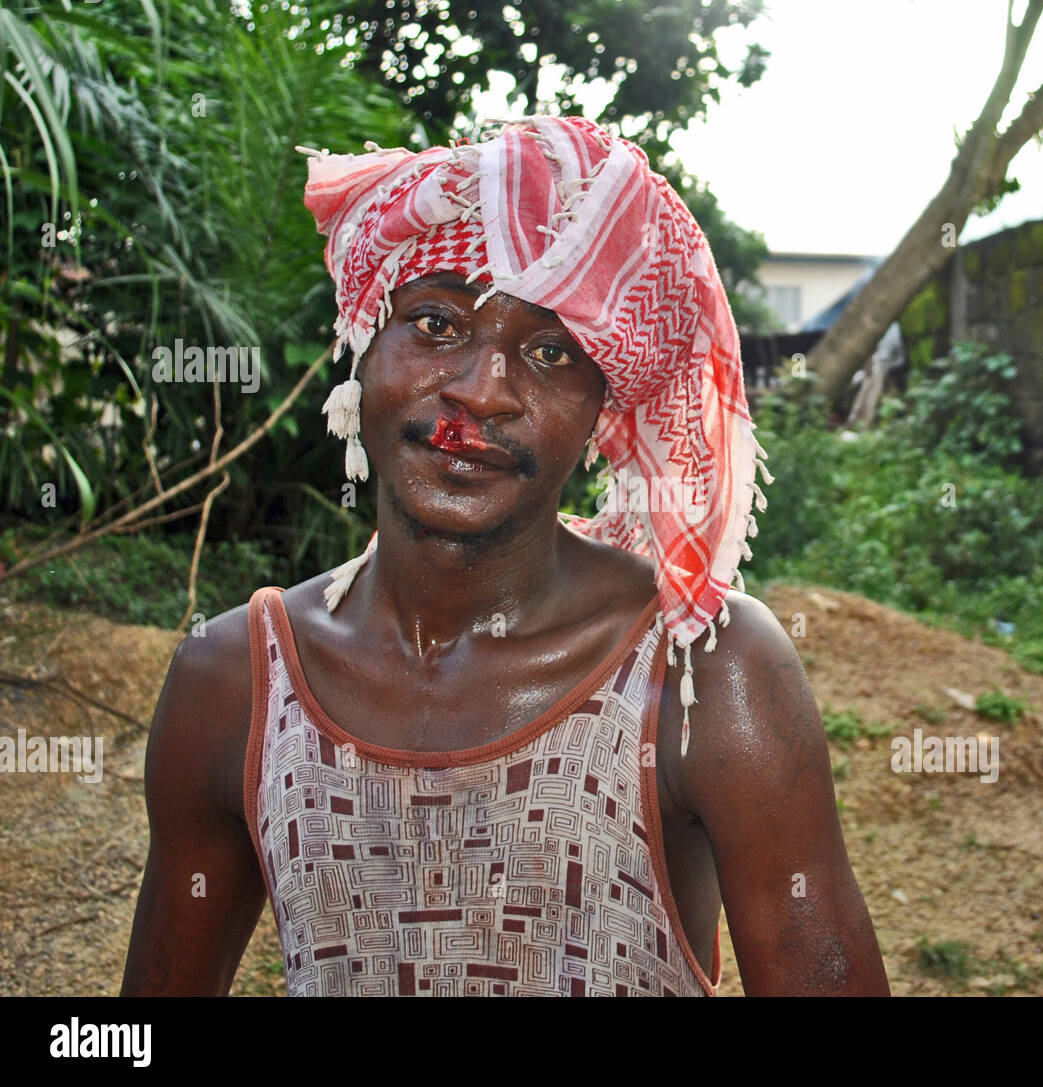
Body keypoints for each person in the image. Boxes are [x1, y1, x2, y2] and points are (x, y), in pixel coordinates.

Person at [120, 116, 890, 997]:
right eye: (437, 321)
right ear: (366, 346)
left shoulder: (705, 677)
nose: (481, 390)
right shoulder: (232, 682)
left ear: (604, 404)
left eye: (553, 350)